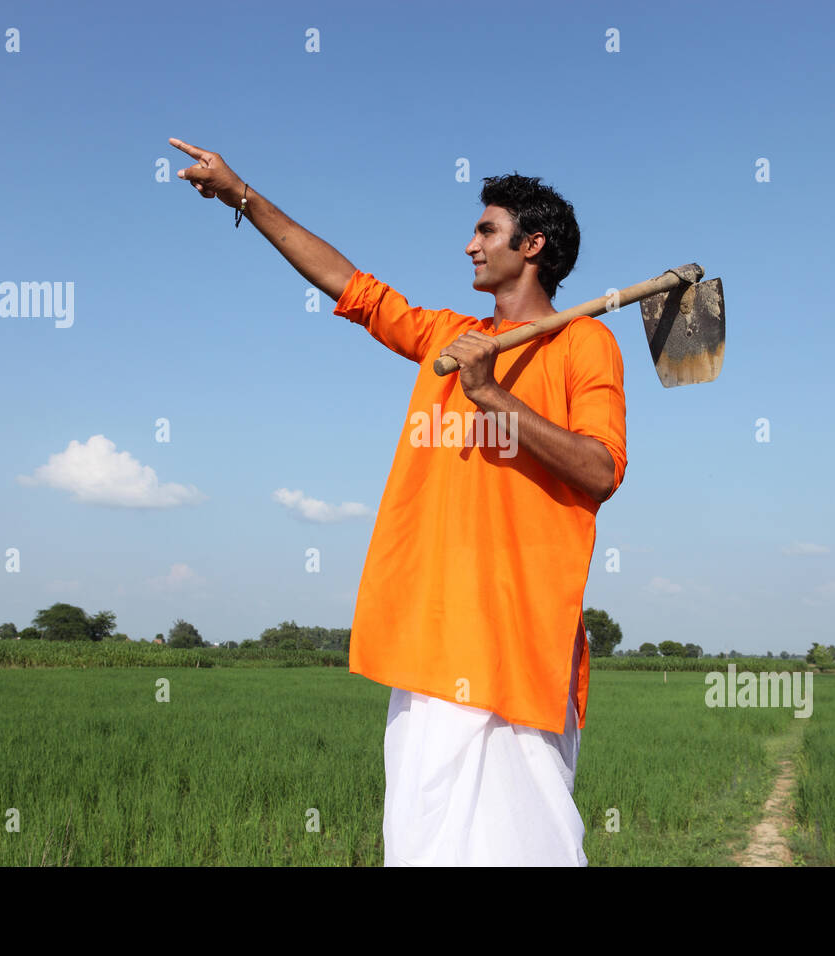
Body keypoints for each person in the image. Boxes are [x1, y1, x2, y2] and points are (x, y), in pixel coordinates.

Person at [170, 138, 627, 866]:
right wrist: (243, 197)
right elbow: (351, 285)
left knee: (526, 843)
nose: (469, 244)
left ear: (532, 244)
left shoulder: (585, 344)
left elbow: (601, 469)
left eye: (486, 230)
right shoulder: (450, 337)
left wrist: (490, 396)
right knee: (423, 842)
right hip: (430, 635)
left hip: (517, 639)